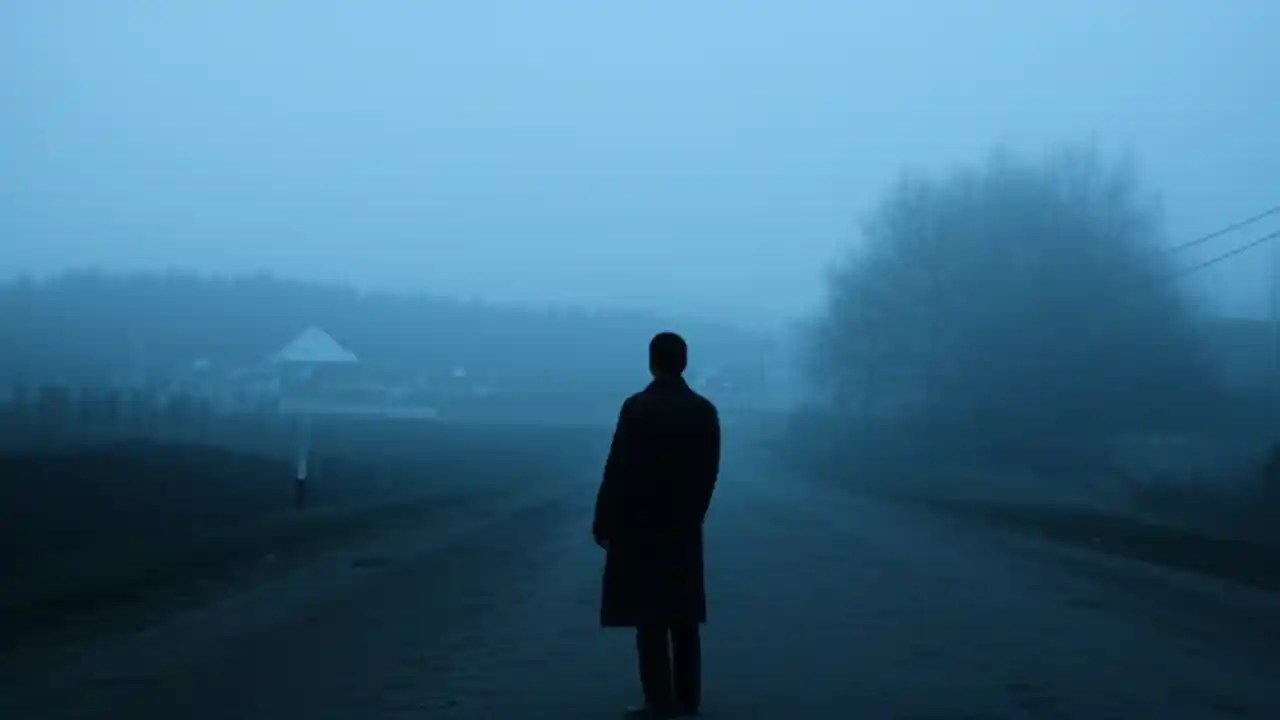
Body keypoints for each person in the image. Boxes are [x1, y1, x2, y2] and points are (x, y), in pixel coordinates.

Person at [593, 332, 721, 718]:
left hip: (639, 523)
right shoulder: (704, 410)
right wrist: (694, 513)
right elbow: (709, 472)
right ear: (684, 362)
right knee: (682, 612)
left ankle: (658, 698)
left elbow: (617, 469)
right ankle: (688, 696)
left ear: (652, 361)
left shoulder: (637, 408)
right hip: (682, 523)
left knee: (649, 614)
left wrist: (605, 519)